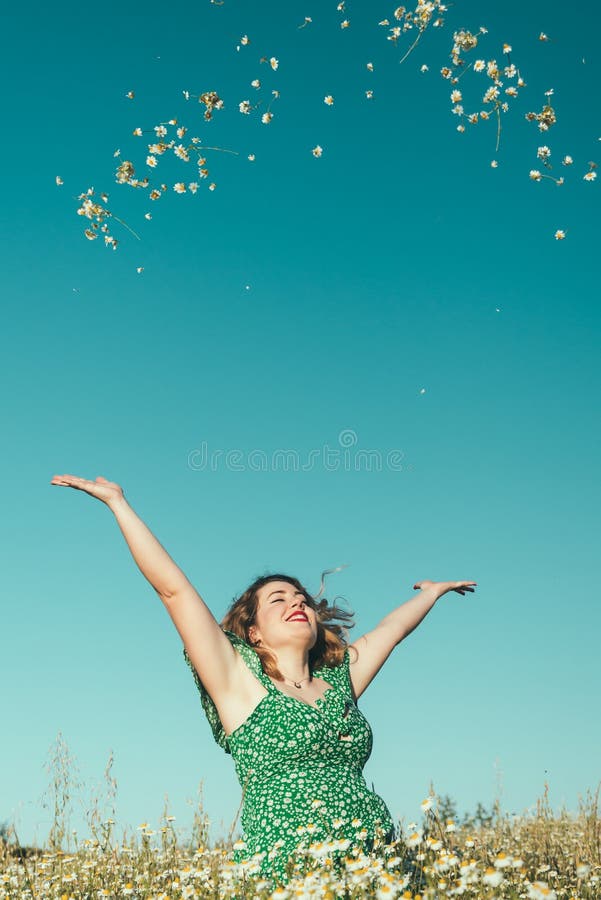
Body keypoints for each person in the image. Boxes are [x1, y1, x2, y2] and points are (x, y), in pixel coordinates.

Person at [50, 473, 477, 884]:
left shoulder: (340, 681)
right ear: (253, 630)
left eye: (302, 600)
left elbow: (391, 632)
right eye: (279, 599)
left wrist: (430, 594)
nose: (297, 603)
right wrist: (118, 503)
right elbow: (173, 590)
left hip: (376, 867)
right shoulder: (237, 680)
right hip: (288, 876)